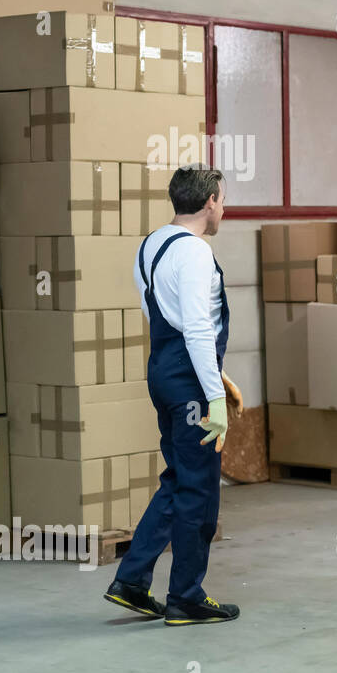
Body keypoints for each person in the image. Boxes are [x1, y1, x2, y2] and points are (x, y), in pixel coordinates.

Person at [105, 165, 243, 625]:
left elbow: (161, 314)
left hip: (163, 370)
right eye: (221, 200)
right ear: (209, 203)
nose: (222, 209)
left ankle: (131, 580)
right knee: (198, 488)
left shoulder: (151, 245)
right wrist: (213, 398)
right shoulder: (197, 254)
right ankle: (185, 595)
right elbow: (199, 327)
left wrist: (215, 379)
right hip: (188, 381)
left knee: (180, 477)